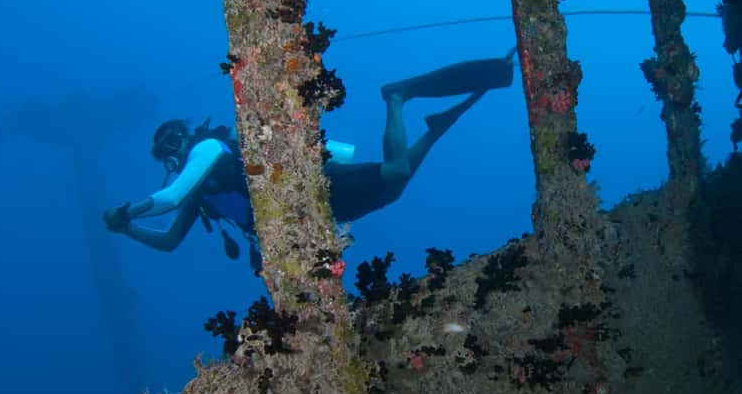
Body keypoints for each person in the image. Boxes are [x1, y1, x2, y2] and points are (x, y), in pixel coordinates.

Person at [103, 49, 516, 267]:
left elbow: (170, 197)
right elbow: (171, 241)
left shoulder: (207, 148)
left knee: (395, 171)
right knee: (393, 191)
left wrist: (127, 211)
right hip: (300, 211)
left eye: (173, 144)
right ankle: (434, 129)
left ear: (183, 139)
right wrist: (129, 232)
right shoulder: (198, 193)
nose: (174, 153)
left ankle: (397, 97)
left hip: (308, 186)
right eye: (167, 152)